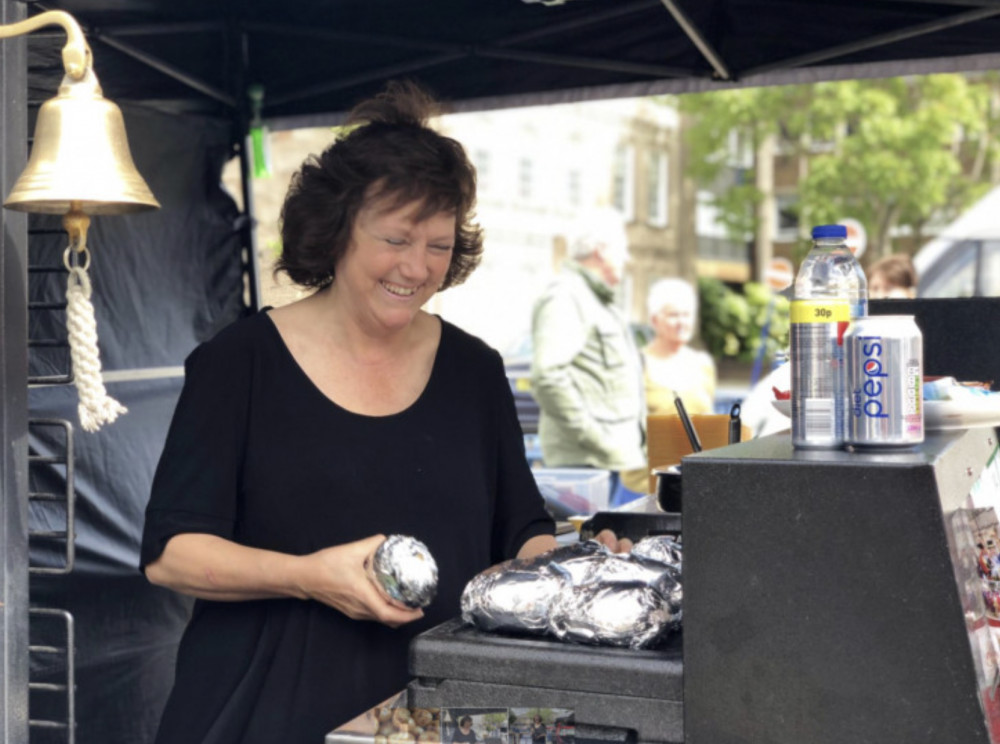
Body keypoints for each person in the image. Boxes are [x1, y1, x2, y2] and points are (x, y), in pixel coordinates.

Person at [140, 81, 633, 744]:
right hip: (261, 710)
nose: (417, 268)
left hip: (439, 714)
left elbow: (520, 531)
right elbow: (171, 555)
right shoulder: (240, 362)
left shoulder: (475, 371)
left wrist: (576, 569)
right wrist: (307, 577)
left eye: (438, 245)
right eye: (397, 239)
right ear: (338, 228)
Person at [529, 207, 646, 502]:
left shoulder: (594, 300)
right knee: (596, 548)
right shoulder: (566, 296)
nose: (626, 259)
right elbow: (547, 377)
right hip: (586, 466)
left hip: (606, 463)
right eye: (622, 250)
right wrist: (598, 439)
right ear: (601, 250)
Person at [640, 277, 716, 417]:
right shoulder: (638, 363)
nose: (681, 322)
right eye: (673, 315)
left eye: (686, 315)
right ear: (654, 320)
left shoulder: (703, 363)